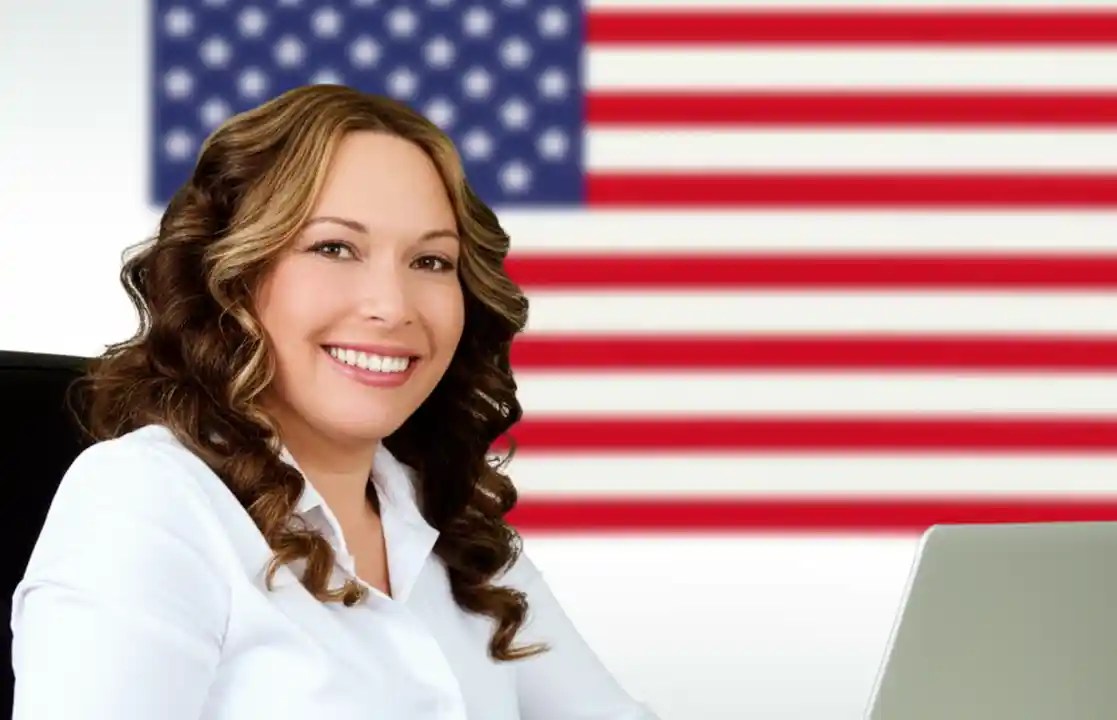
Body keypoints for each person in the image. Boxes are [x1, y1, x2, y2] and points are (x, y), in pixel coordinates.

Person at [10, 84, 657, 719]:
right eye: (334, 248)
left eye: (431, 261)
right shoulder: (146, 501)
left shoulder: (444, 524)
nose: (392, 306)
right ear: (232, 276)